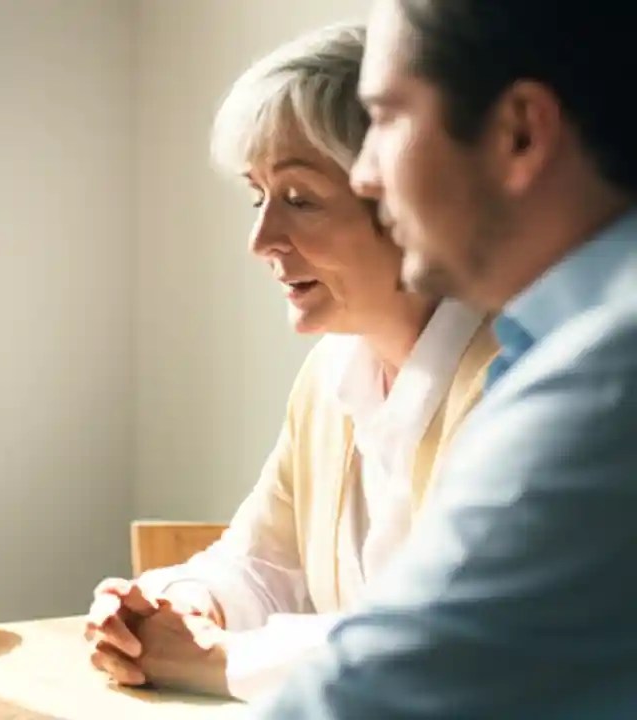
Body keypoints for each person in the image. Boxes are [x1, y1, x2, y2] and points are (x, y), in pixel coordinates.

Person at [84, 22, 497, 702]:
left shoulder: (506, 382)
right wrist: (178, 607)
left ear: (406, 199)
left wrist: (220, 661)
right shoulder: (333, 375)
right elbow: (261, 561)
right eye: (258, 195)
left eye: (300, 200)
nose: (261, 239)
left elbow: (453, 645)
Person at [262, 1, 637, 717]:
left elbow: (366, 700)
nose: (367, 175)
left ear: (520, 132)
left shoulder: (604, 392)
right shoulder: (556, 356)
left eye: (388, 118)